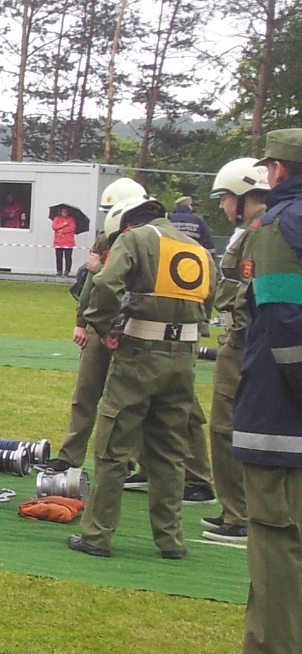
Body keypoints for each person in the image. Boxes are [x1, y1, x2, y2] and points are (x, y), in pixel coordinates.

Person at [197, 130, 302, 654]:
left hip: (285, 411)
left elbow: (284, 319)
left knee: (276, 537)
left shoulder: (277, 228)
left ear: (277, 172)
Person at [66, 197, 214, 559]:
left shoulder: (134, 240)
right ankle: (171, 540)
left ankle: (97, 536)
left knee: (114, 446)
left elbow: (104, 285)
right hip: (183, 358)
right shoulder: (196, 248)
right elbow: (211, 298)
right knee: (170, 451)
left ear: (125, 224)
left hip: (138, 354)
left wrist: (102, 327)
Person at [204, 158, 270, 541]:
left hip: (242, 340)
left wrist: (237, 339)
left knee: (225, 427)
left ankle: (238, 515)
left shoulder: (254, 234)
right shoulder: (257, 230)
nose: (223, 206)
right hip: (245, 339)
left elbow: (243, 293)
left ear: (243, 196)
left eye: (226, 197)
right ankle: (237, 510)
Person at [51, 204, 78, 275]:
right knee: (58, 257)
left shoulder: (71, 219)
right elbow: (54, 226)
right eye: (63, 211)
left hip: (68, 242)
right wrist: (63, 224)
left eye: (66, 211)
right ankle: (59, 271)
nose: (64, 213)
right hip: (58, 242)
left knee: (68, 257)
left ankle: (67, 271)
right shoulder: (56, 218)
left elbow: (72, 228)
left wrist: (62, 231)